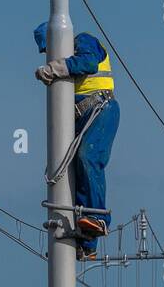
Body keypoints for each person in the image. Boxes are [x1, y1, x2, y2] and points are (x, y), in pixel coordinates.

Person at [33, 22, 120, 260]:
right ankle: (86, 241)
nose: (49, 56)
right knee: (68, 170)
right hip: (82, 114)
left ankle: (97, 218)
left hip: (101, 108)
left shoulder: (84, 40)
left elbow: (88, 63)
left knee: (87, 157)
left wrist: (58, 68)